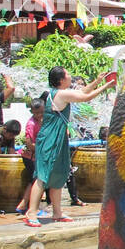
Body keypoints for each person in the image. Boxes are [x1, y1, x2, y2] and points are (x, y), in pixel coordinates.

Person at [24, 67, 113, 227]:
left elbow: (82, 92)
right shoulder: (60, 93)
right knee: (42, 176)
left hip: (58, 139)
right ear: (60, 80)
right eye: (67, 75)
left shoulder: (61, 93)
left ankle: (57, 212)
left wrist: (97, 81)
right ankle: (31, 211)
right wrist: (105, 86)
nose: (70, 76)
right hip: (50, 139)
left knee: (58, 173)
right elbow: (85, 97)